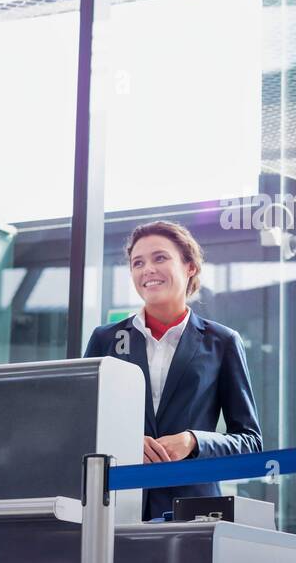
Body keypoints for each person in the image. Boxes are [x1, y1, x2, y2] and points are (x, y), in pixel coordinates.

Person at [83, 220, 262, 521]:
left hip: (193, 512)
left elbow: (250, 442)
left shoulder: (222, 342)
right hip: (113, 508)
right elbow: (80, 426)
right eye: (137, 263)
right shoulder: (105, 339)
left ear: (190, 266)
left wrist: (194, 441)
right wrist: (123, 441)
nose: (147, 269)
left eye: (160, 258)